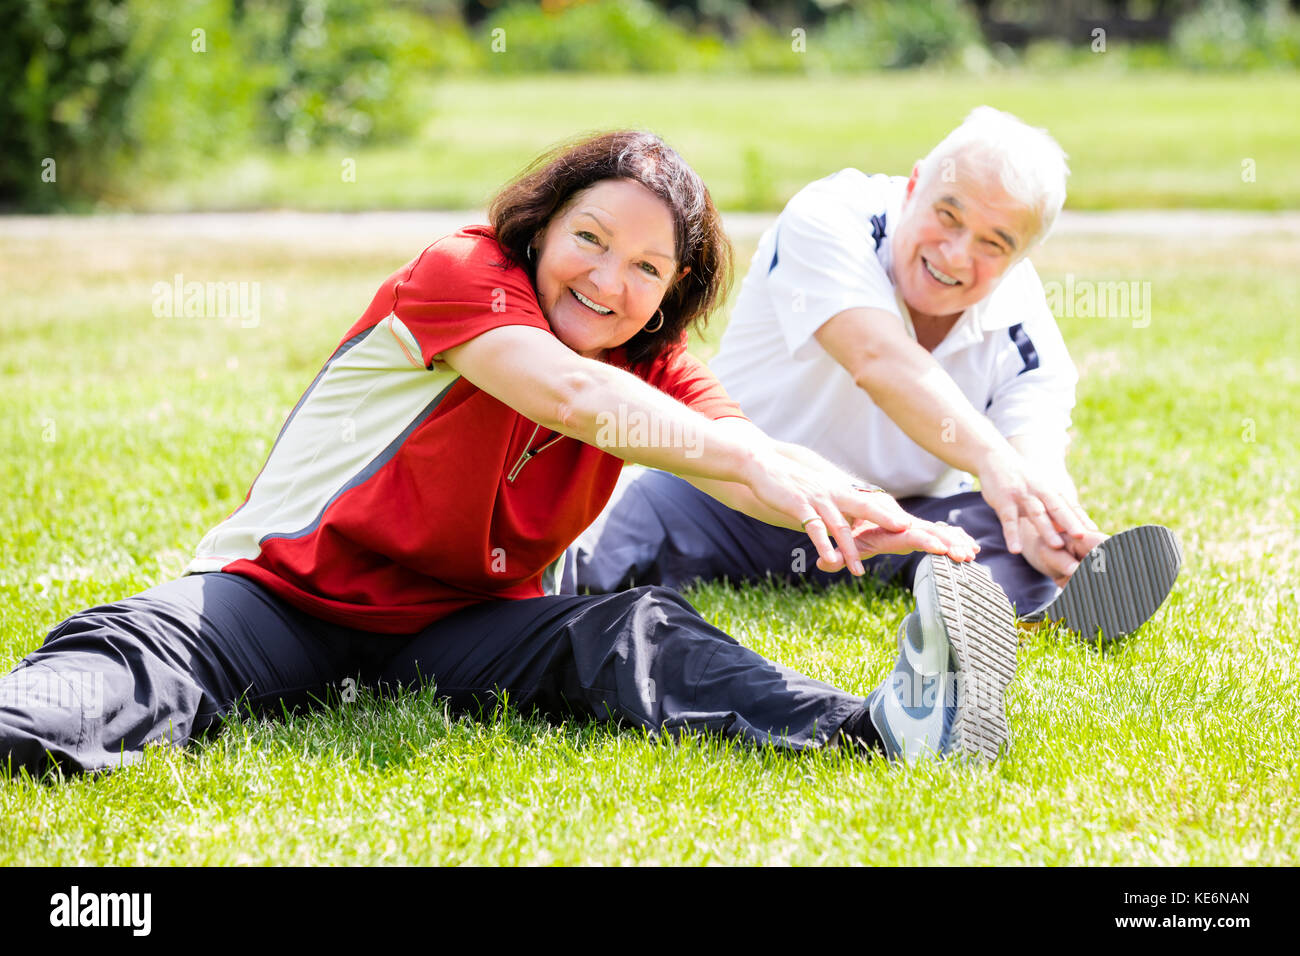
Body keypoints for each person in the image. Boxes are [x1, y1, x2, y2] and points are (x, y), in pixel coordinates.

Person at [0, 130, 1015, 779]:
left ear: (670, 295)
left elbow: (741, 449)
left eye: (646, 269)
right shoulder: (462, 273)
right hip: (280, 598)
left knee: (631, 630)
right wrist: (754, 465)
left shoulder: (652, 365)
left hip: (463, 626)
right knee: (128, 663)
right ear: (540, 227)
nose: (608, 280)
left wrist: (866, 511)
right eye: (590, 239)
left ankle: (883, 727)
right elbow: (575, 397)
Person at [568, 109, 1182, 643]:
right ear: (913, 186)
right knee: (627, 530)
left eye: (994, 243)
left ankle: (1049, 599)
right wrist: (996, 463)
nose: (956, 254)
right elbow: (879, 361)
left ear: (1021, 256)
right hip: (731, 494)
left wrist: (1050, 517)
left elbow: (1034, 450)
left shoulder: (1024, 327)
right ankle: (555, 584)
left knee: (997, 523)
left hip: (887, 525)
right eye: (948, 214)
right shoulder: (831, 215)